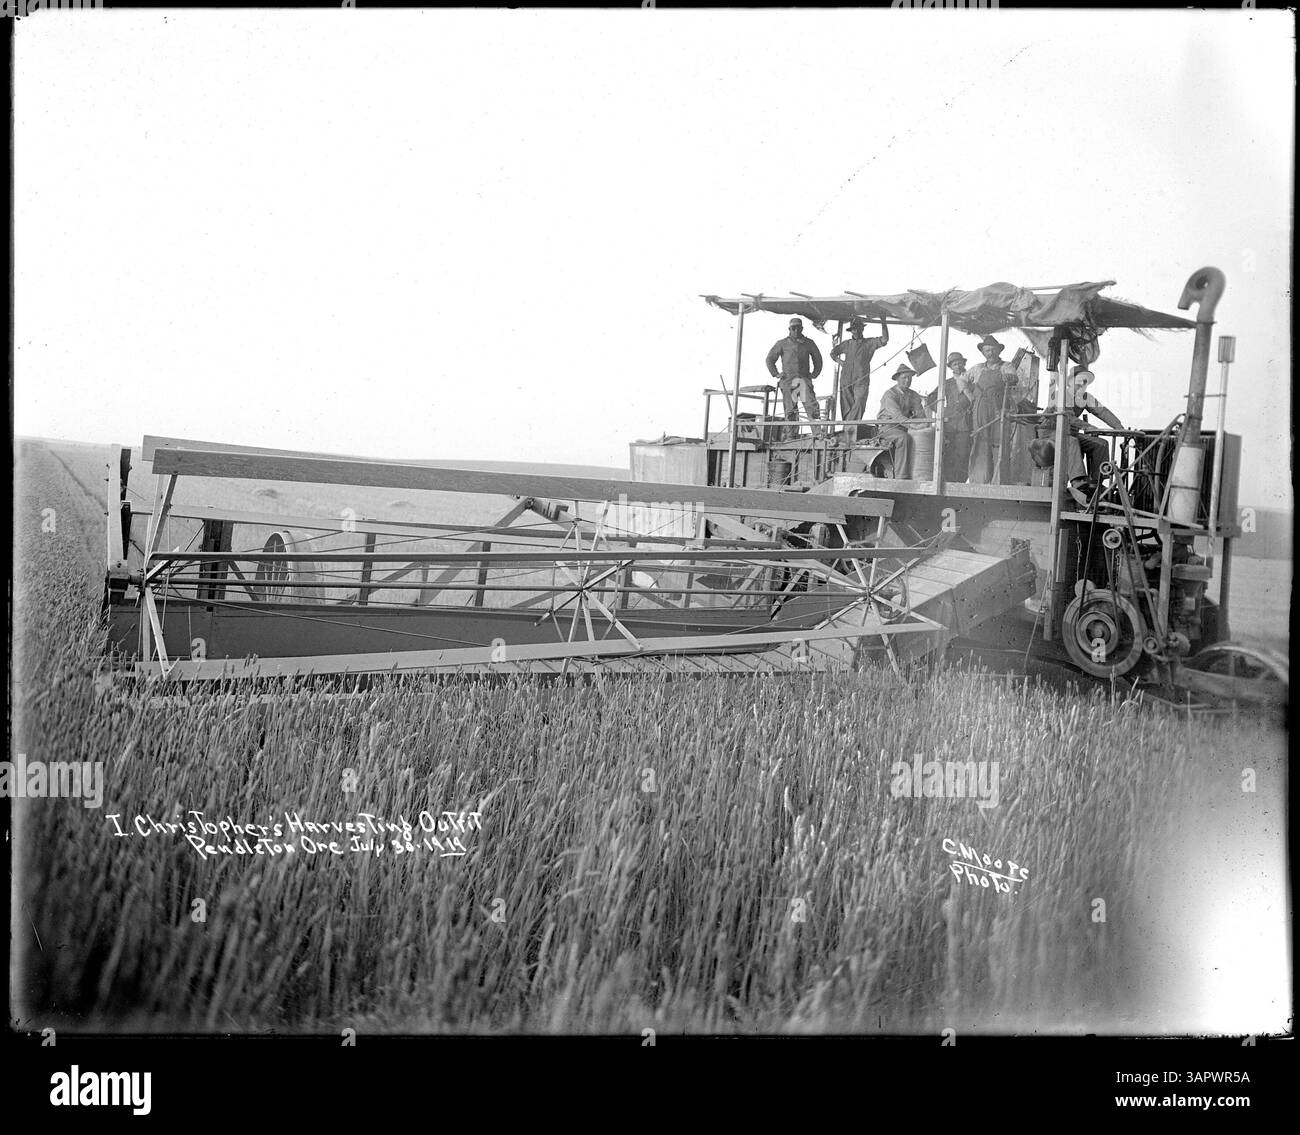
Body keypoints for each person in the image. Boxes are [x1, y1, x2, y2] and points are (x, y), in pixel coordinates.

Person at [1043, 366, 1125, 489]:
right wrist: (1089, 427)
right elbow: (1069, 418)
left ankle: (1096, 482)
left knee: (1101, 444)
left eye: (1085, 381)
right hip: (1050, 432)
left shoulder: (1085, 397)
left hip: (1068, 433)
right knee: (1072, 442)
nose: (1082, 384)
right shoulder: (1061, 394)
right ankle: (1078, 482)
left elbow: (1102, 412)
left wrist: (1119, 427)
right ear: (1070, 381)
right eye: (1079, 380)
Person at [965, 334, 1020, 484]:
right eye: (987, 350)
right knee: (980, 440)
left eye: (992, 350)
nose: (990, 353)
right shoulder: (976, 369)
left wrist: (1009, 378)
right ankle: (979, 479)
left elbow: (1014, 377)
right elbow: (961, 381)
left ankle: (998, 480)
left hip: (999, 408)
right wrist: (971, 396)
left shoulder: (1006, 366)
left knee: (999, 442)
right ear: (983, 352)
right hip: (980, 408)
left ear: (998, 351)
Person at [765, 317, 824, 440]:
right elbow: (770, 359)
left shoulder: (809, 343)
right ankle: (791, 435)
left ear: (802, 328)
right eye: (793, 328)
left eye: (798, 328)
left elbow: (818, 359)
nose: (796, 330)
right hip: (788, 381)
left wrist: (815, 373)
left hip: (803, 380)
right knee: (790, 409)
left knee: (811, 406)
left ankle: (818, 434)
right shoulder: (781, 343)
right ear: (789, 329)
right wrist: (776, 373)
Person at [830, 315, 888, 439]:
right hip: (846, 379)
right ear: (851, 331)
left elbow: (884, 340)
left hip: (861, 380)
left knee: (860, 401)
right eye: (853, 329)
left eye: (857, 328)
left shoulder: (869, 343)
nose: (855, 331)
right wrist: (841, 363)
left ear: (862, 329)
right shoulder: (847, 344)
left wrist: (883, 321)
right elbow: (833, 353)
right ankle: (849, 432)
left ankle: (849, 429)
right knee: (846, 406)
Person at [924, 351, 973, 483]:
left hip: (966, 423)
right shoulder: (947, 382)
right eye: (954, 364)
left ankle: (961, 482)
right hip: (950, 424)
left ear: (964, 364)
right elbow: (931, 399)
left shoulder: (971, 380)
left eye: (959, 363)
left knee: (963, 454)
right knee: (948, 454)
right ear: (950, 367)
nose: (957, 366)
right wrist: (943, 411)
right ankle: (949, 482)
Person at [878, 364, 927, 478]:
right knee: (903, 438)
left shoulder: (913, 395)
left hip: (905, 427)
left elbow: (921, 415)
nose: (907, 380)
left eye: (909, 378)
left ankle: (919, 475)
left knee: (926, 437)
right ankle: (902, 477)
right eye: (904, 377)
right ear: (897, 379)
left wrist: (925, 425)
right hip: (888, 428)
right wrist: (914, 427)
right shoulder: (890, 394)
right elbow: (897, 416)